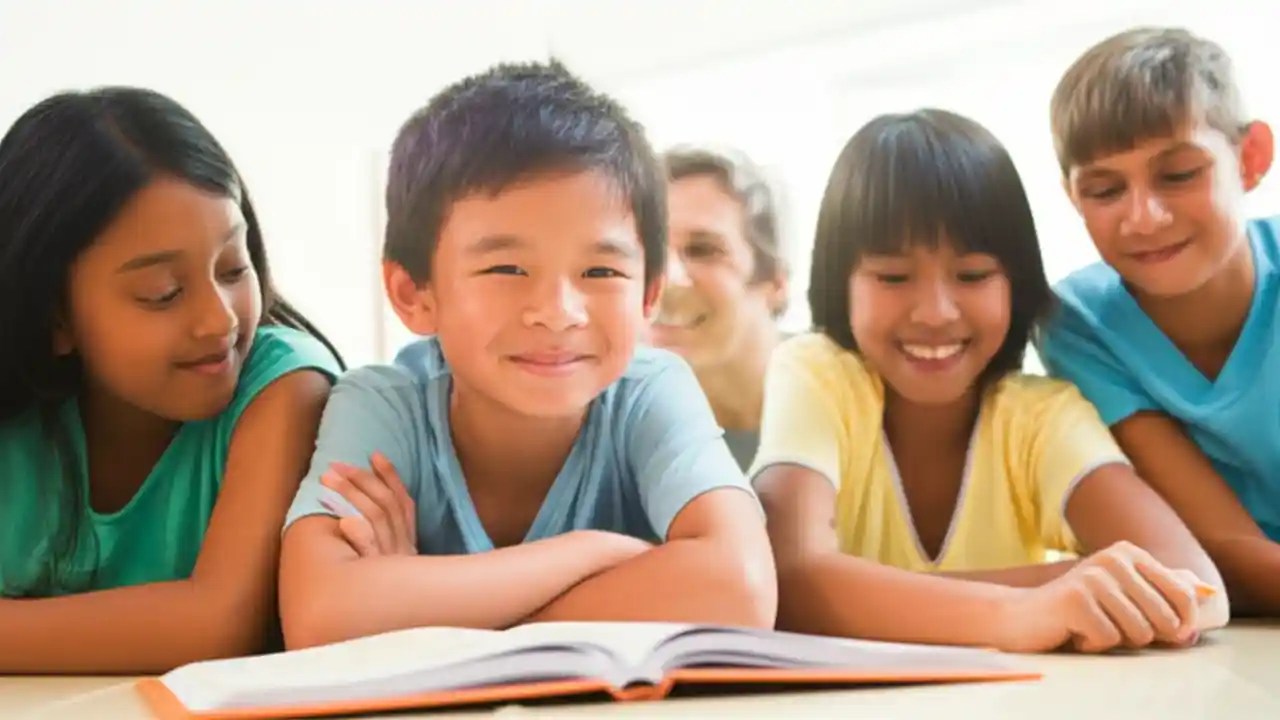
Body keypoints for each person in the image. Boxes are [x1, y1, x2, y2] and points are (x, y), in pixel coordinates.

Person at [278, 61, 776, 649]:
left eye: (601, 271)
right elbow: (320, 614)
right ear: (414, 295)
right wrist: (590, 553)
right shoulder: (382, 406)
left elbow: (738, 586)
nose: (559, 311)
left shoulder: (651, 391)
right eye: (507, 269)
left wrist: (417, 612)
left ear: (648, 295)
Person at [753, 108, 1227, 654]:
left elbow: (1197, 588)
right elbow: (787, 579)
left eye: (973, 275)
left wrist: (872, 595)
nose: (935, 312)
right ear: (841, 285)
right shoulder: (816, 373)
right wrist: (1029, 606)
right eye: (893, 277)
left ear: (1015, 283)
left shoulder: (1040, 418)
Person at [0, 87, 343, 673]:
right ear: (55, 315)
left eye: (233, 269)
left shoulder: (286, 388)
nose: (219, 320)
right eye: (162, 293)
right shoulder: (20, 424)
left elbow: (215, 626)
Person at [1036, 27, 1280, 616]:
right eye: (1104, 190)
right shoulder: (1078, 325)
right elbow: (1223, 549)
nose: (1143, 218)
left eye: (1179, 175)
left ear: (1250, 159)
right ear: (1073, 197)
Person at [651, 146, 788, 470]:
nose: (666, 280)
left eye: (702, 250)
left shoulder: (851, 408)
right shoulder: (608, 427)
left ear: (775, 283)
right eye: (647, 251)